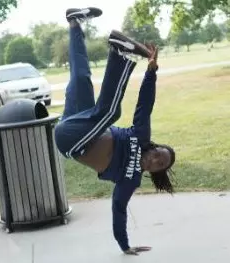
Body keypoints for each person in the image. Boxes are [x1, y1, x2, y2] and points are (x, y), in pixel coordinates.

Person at [55, 7, 176, 256]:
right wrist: (151, 72)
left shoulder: (130, 180)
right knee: (80, 77)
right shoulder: (140, 136)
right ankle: (75, 23)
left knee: (110, 113)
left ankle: (118, 52)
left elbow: (118, 209)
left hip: (71, 143)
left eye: (159, 164)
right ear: (153, 147)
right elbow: (145, 104)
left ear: (155, 172)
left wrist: (125, 245)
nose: (155, 160)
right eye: (158, 154)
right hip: (77, 123)